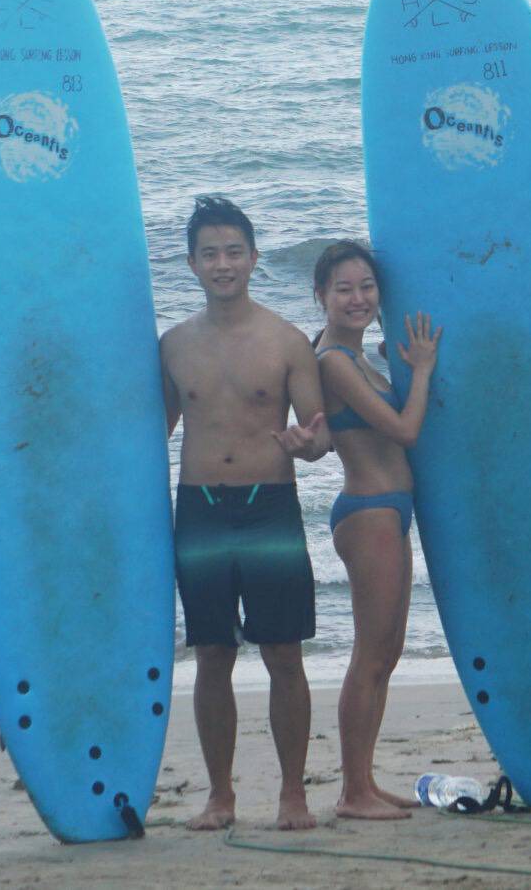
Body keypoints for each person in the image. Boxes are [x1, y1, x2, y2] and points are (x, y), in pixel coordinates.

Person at [158, 196, 333, 831]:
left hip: (269, 508)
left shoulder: (287, 341)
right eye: (210, 254)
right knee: (211, 655)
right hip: (199, 509)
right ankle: (220, 796)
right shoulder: (173, 345)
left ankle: (293, 795)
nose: (223, 264)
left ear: (254, 258)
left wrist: (307, 444)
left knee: (284, 653)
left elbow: (319, 436)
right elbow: (154, 434)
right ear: (192, 263)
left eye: (234, 251)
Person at [308, 241, 439, 821]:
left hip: (389, 510)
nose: (358, 298)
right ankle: (352, 792)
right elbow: (404, 431)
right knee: (370, 653)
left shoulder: (359, 357)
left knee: (386, 651)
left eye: (367, 287)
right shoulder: (333, 360)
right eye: (344, 289)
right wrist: (423, 370)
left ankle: (364, 781)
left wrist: (398, 363)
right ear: (321, 295)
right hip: (369, 512)